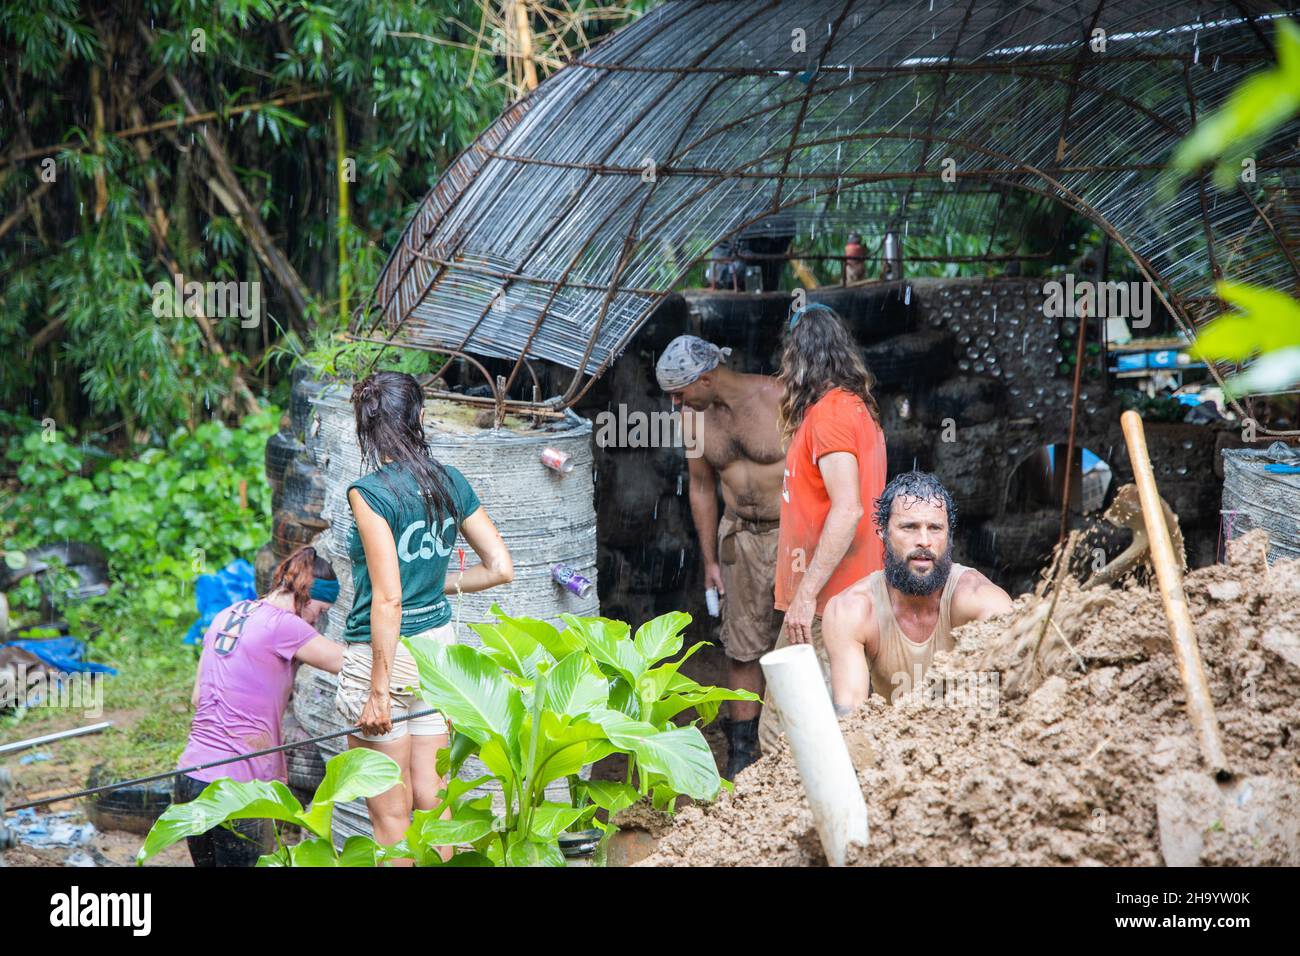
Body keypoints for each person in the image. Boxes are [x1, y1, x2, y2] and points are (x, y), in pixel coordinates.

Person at [336, 370, 513, 862]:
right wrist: (440, 584)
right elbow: (500, 568)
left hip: (388, 660)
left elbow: (388, 599)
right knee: (435, 802)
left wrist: (377, 691)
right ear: (417, 418)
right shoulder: (448, 481)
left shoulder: (369, 493)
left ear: (366, 426)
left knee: (391, 817)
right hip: (438, 653)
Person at [758, 303, 888, 754]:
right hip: (841, 596)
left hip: (827, 601)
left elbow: (848, 509)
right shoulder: (855, 409)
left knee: (783, 731)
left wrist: (807, 593)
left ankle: (783, 822)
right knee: (830, 724)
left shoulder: (831, 416)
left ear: (799, 356)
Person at [656, 335, 785, 777]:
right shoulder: (694, 418)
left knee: (799, 642)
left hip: (790, 536)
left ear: (706, 378)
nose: (675, 404)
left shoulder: (779, 396)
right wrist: (710, 560)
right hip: (740, 538)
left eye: (680, 393)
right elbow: (700, 487)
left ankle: (792, 749)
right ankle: (743, 757)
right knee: (741, 647)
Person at [176, 544, 345, 867]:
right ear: (306, 594)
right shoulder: (285, 625)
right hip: (237, 788)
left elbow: (198, 697)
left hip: (191, 777)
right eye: (320, 612)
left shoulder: (228, 614)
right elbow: (347, 663)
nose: (315, 623)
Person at [823, 471, 1014, 713]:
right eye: (909, 527)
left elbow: (998, 711)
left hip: (966, 742)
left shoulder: (983, 603)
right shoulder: (851, 610)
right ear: (882, 532)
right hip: (890, 746)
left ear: (949, 535)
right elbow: (850, 719)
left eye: (935, 528)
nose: (924, 541)